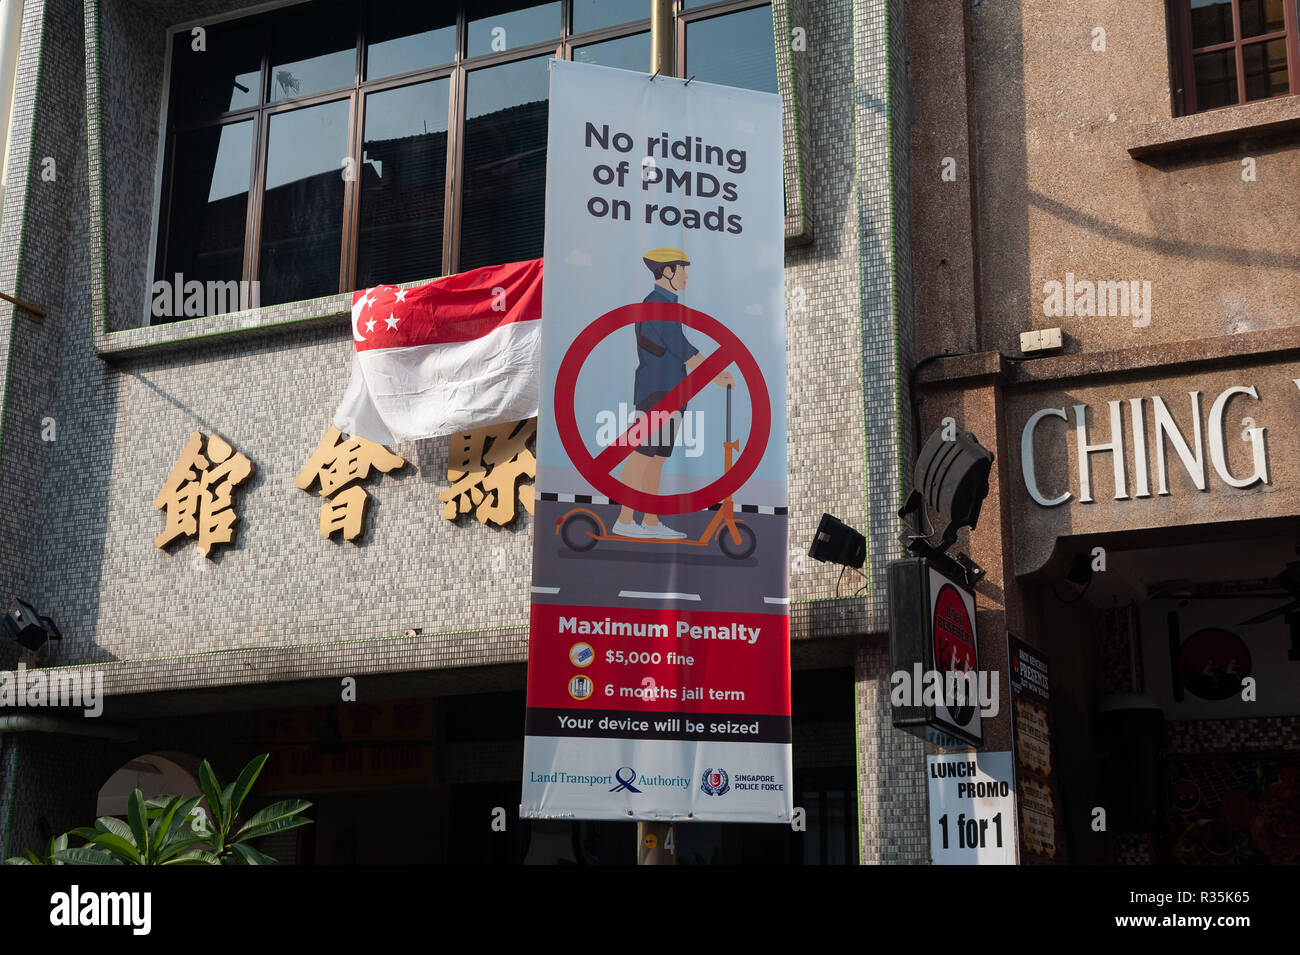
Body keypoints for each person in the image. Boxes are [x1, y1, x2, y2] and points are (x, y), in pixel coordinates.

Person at [613, 248, 734, 539]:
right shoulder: (656, 304)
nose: (686, 276)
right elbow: (682, 350)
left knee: (657, 459)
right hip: (656, 393)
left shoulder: (668, 306)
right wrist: (716, 375)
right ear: (667, 271)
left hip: (674, 394)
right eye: (682, 269)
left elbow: (681, 347)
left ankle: (651, 521)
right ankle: (625, 519)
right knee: (643, 454)